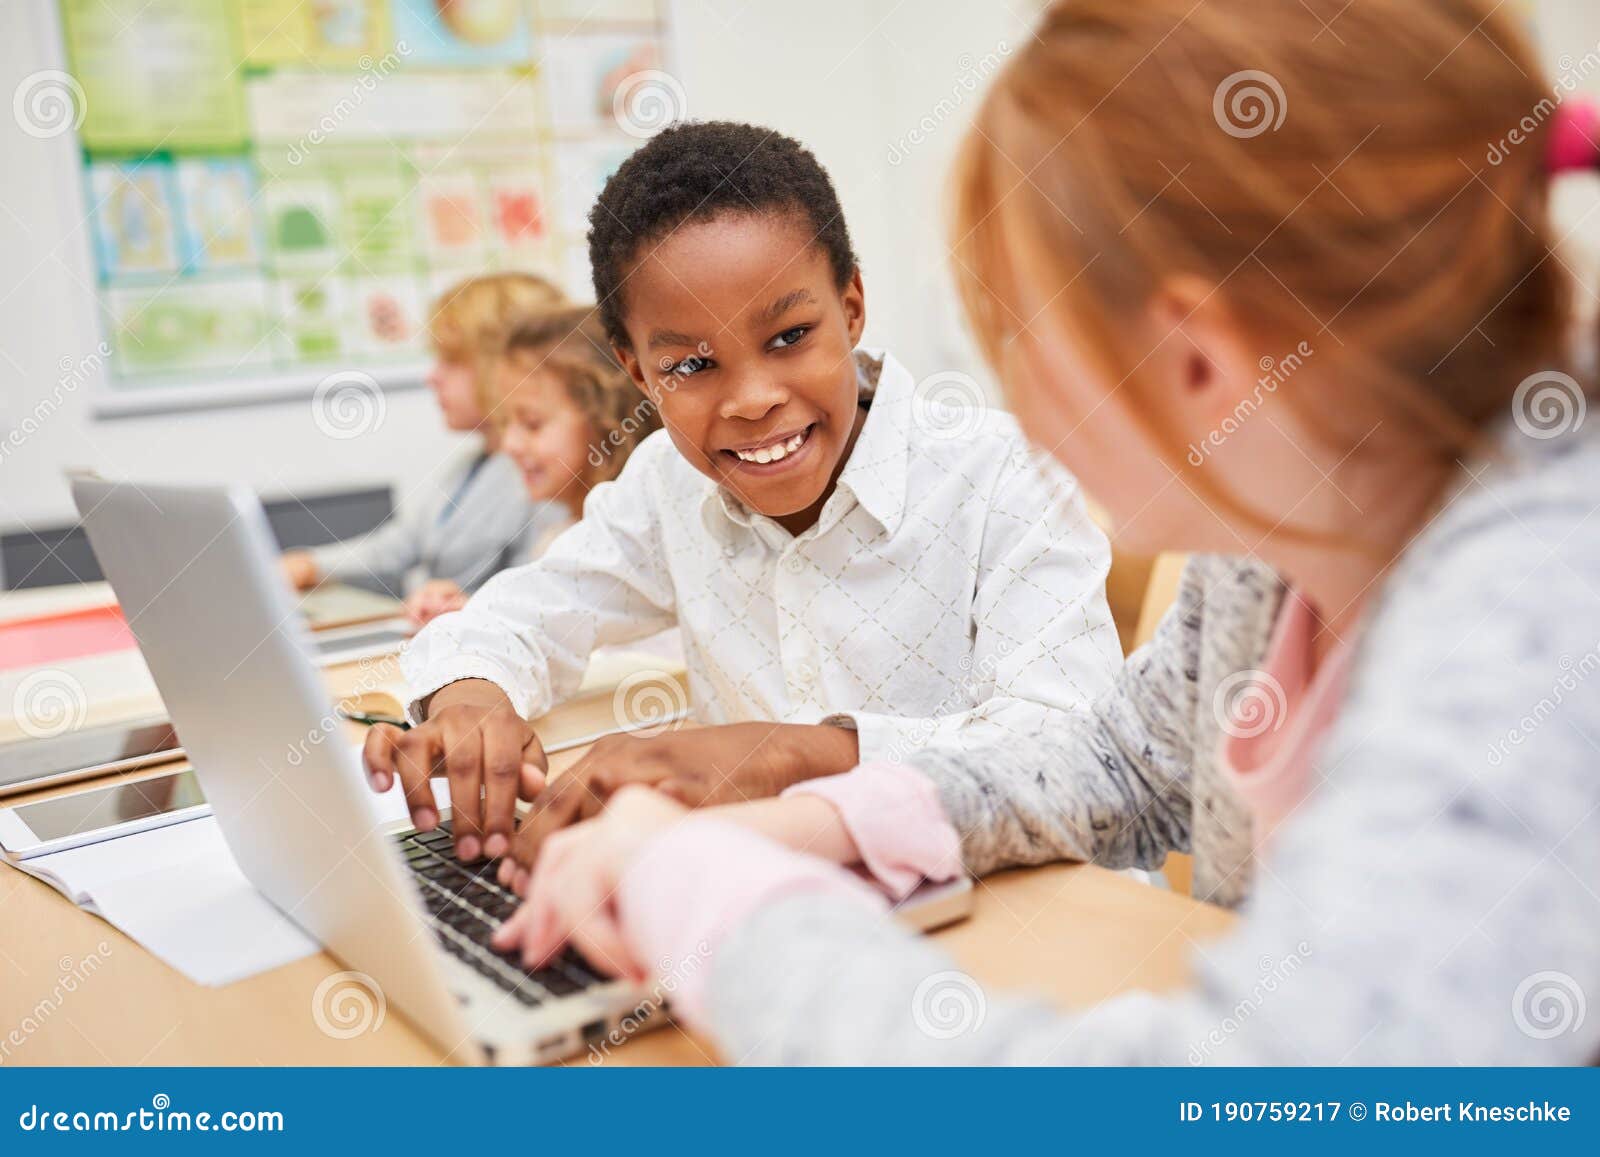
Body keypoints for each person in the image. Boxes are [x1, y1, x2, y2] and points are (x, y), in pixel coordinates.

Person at [493, 0, 1600, 1065]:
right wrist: (821, 823)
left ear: (1195, 359)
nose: (1012, 401)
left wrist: (711, 910)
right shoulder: (1281, 543)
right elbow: (1117, 760)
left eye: (1018, 336)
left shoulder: (1540, 610)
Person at [362, 121, 1123, 871]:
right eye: (692, 366)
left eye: (789, 335)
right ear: (638, 374)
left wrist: (790, 754)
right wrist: (471, 700)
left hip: (1022, 913)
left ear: (851, 306)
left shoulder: (1002, 477)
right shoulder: (668, 482)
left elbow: (1079, 756)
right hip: (778, 910)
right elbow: (522, 611)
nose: (753, 398)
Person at [281, 272, 567, 598]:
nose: (432, 377)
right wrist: (310, 563)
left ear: (504, 366)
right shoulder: (469, 467)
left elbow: (540, 594)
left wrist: (466, 607)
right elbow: (400, 545)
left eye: (451, 362)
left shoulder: (541, 475)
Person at [405, 306, 662, 627]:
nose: (510, 444)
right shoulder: (557, 535)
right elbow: (547, 622)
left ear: (608, 422)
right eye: (505, 423)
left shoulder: (635, 544)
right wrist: (470, 610)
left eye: (532, 423)